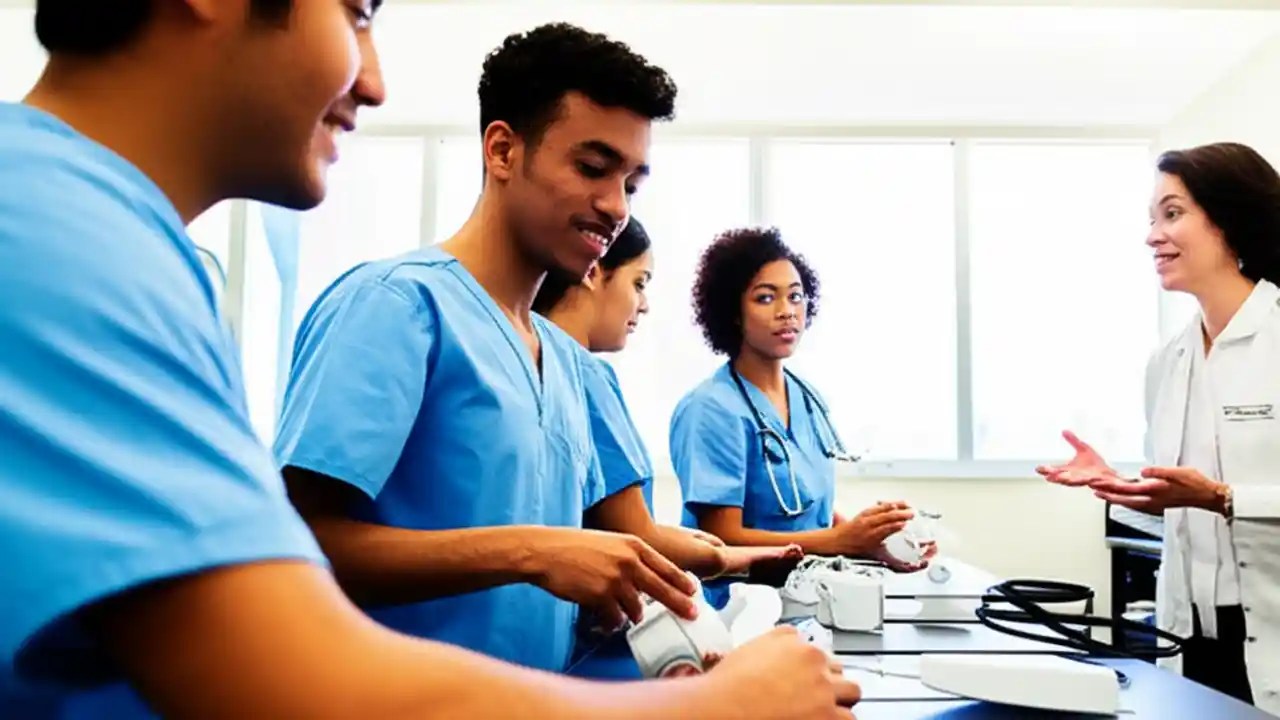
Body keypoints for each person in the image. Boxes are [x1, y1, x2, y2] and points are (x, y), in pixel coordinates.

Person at [0, 4, 857, 719]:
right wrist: (717, 703)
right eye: (357, 14)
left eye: (631, 182)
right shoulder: (62, 234)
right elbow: (284, 636)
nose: (371, 80)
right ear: (502, 150)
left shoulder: (557, 357)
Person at [1037, 142, 1280, 713]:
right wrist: (1125, 488)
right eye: (1152, 218)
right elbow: (1184, 501)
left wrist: (1222, 497)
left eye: (1172, 214)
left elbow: (1217, 494)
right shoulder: (1167, 361)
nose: (1152, 235)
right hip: (1188, 639)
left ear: (1229, 218)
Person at [534, 217, 804, 679]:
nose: (642, 304)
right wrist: (728, 557)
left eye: (796, 296)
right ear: (594, 270)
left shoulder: (538, 357)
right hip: (587, 644)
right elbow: (633, 535)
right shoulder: (581, 372)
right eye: (638, 283)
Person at [669, 227, 932, 607]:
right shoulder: (710, 409)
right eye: (765, 298)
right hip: (737, 609)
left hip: (810, 598)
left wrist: (873, 544)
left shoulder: (807, 399)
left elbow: (810, 514)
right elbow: (720, 539)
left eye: (796, 296)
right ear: (733, 313)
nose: (787, 311)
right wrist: (841, 542)